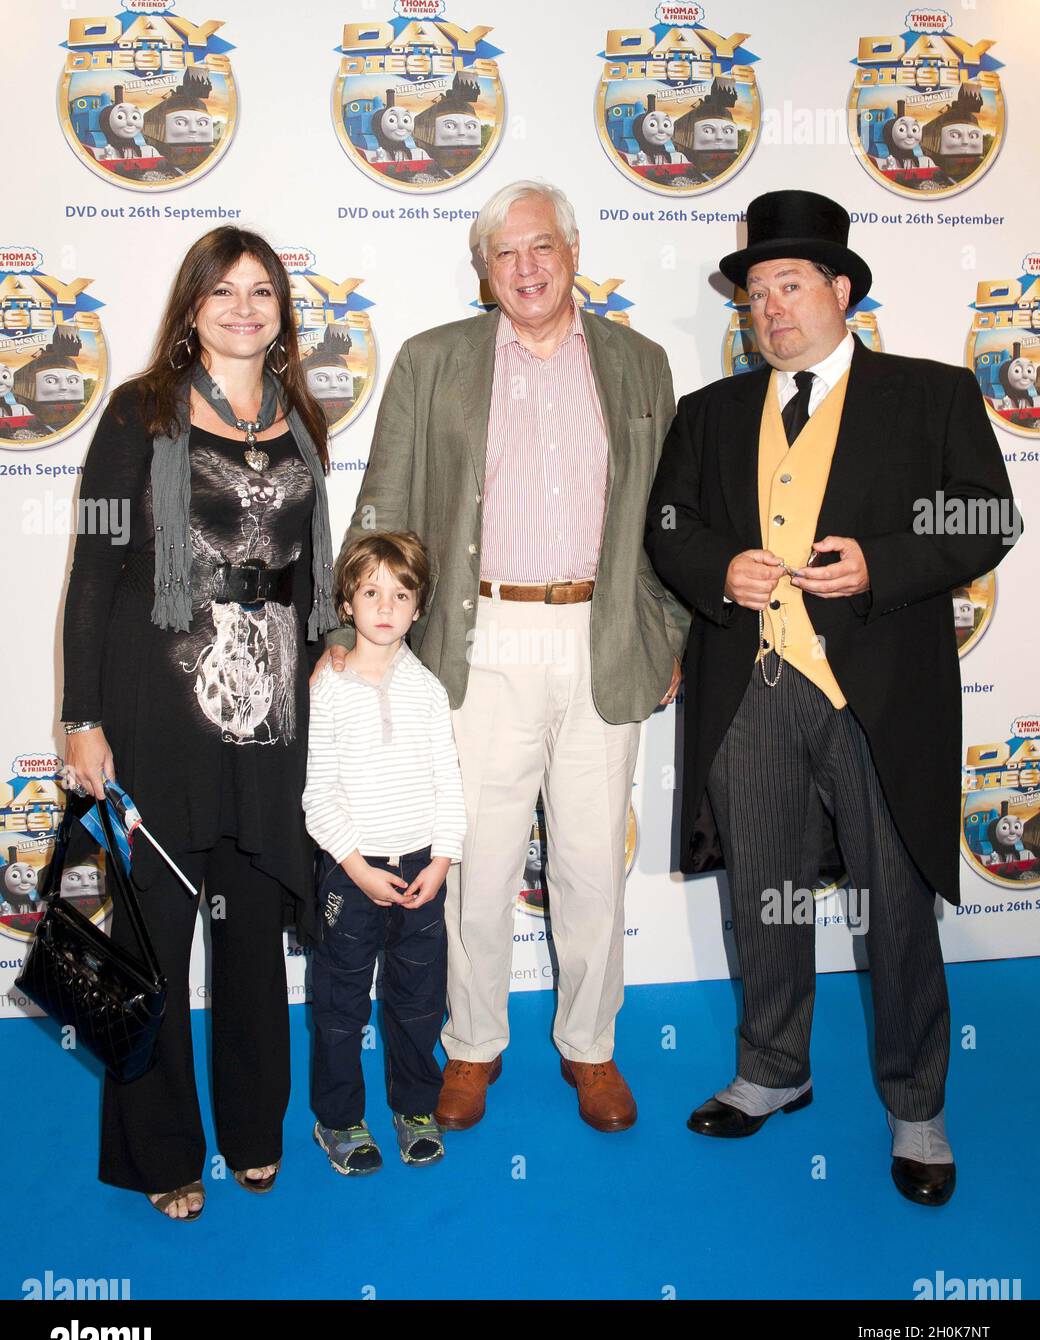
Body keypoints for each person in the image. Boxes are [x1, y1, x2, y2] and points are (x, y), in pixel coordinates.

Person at [645, 189, 1020, 1206]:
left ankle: (915, 1104)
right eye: (754, 292)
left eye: (789, 285)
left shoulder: (929, 395)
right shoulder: (707, 412)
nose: (768, 308)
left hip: (877, 696)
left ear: (840, 290)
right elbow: (669, 529)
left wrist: (882, 563)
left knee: (894, 907)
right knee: (761, 892)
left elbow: (987, 515)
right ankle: (773, 1068)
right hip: (748, 690)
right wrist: (723, 567)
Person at [322, 179, 688, 1133]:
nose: (525, 268)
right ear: (484, 272)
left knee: (590, 861)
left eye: (541, 248)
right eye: (504, 254)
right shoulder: (432, 360)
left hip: (600, 635)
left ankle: (591, 1049)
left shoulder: (639, 362)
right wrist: (351, 633)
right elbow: (386, 503)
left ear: (573, 253)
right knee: (475, 862)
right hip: (477, 643)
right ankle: (474, 1044)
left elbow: (672, 518)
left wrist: (669, 631)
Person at [60, 224, 338, 1219]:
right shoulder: (141, 413)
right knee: (158, 939)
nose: (243, 307)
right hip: (159, 702)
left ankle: (256, 1128)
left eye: (261, 290)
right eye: (222, 291)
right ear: (191, 306)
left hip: (270, 717)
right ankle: (163, 1151)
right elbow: (95, 568)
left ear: (280, 309)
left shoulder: (299, 412)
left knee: (254, 924)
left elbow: (310, 571)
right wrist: (81, 715)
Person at [303, 531, 466, 1173]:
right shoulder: (328, 688)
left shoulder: (428, 691)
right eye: (371, 591)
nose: (385, 606)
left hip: (422, 874)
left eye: (401, 595)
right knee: (340, 1007)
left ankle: (415, 1108)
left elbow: (447, 783)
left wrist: (443, 860)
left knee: (419, 1002)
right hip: (352, 877)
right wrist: (356, 867)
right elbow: (318, 796)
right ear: (347, 602)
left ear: (419, 608)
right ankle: (340, 1121)